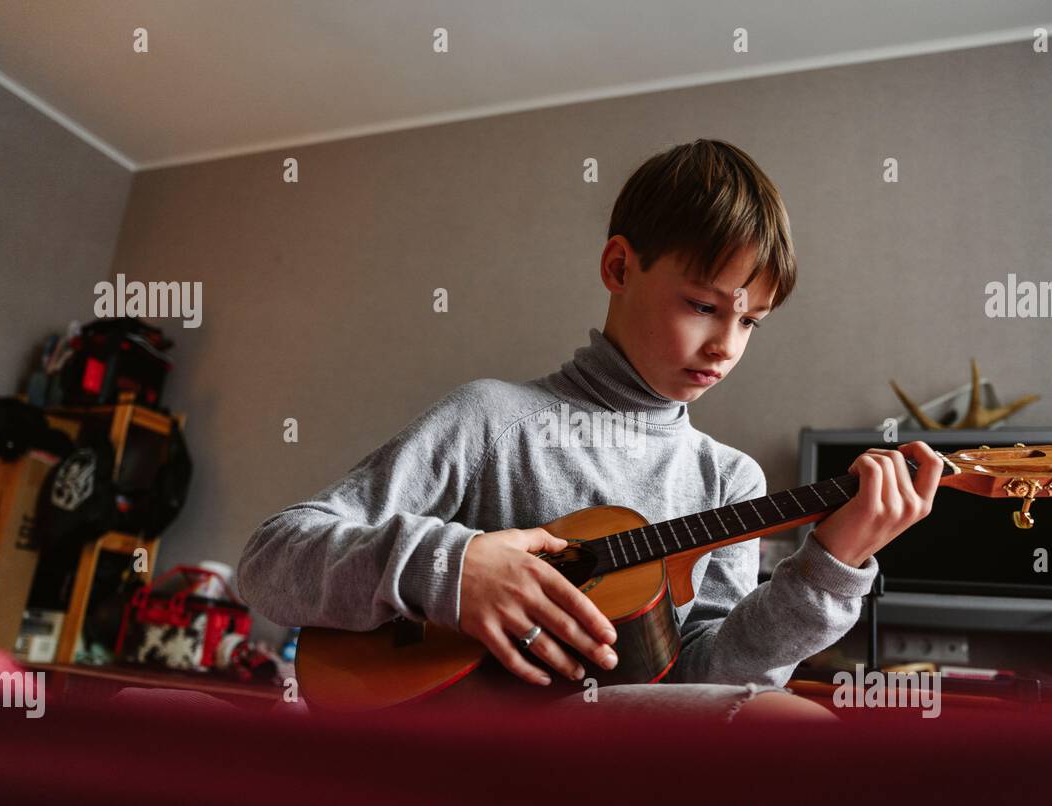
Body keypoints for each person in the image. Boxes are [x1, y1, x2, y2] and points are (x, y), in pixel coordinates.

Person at [236, 139, 942, 725]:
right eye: (703, 305)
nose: (727, 345)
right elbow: (269, 562)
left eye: (750, 322)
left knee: (789, 723)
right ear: (618, 267)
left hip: (606, 740)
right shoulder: (491, 418)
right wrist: (453, 569)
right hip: (460, 725)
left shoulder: (730, 481)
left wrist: (832, 567)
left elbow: (707, 678)